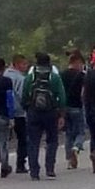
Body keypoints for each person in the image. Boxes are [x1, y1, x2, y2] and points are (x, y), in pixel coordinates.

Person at [21, 52, 67, 181]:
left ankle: (34, 171)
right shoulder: (54, 77)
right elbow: (62, 96)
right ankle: (50, 168)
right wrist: (61, 113)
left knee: (33, 141)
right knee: (52, 140)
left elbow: (24, 94)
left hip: (33, 112)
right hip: (50, 112)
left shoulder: (31, 76)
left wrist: (26, 107)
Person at [4, 54, 30, 176]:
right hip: (19, 113)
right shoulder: (21, 79)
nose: (26, 66)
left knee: (2, 139)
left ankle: (0, 161)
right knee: (22, 139)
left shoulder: (5, 75)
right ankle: (20, 164)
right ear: (17, 64)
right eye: (24, 64)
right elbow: (22, 95)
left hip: (5, 112)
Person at [61, 51, 87, 169]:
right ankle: (76, 147)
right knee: (81, 132)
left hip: (65, 108)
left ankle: (69, 161)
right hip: (77, 106)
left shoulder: (62, 75)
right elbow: (83, 93)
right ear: (77, 62)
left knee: (68, 134)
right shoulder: (81, 75)